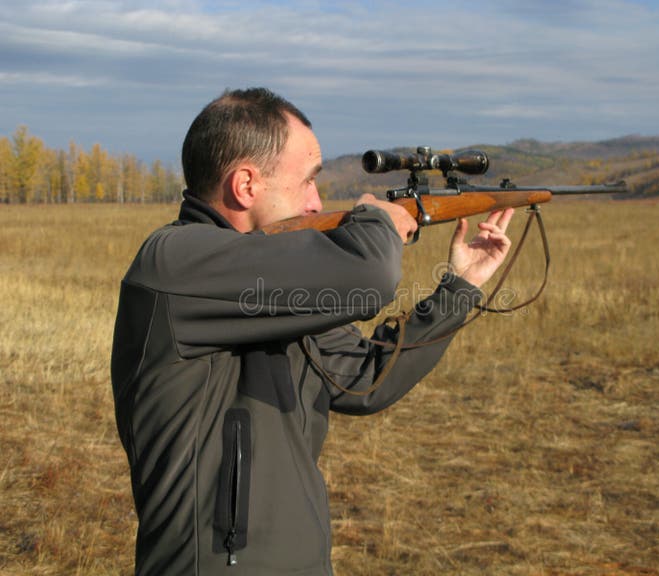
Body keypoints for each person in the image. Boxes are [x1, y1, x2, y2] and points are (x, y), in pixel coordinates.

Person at [111, 87, 514, 576]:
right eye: (306, 182)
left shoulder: (271, 282)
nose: (315, 202)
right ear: (246, 185)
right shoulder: (176, 261)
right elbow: (370, 276)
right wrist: (378, 218)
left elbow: (365, 378)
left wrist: (460, 287)